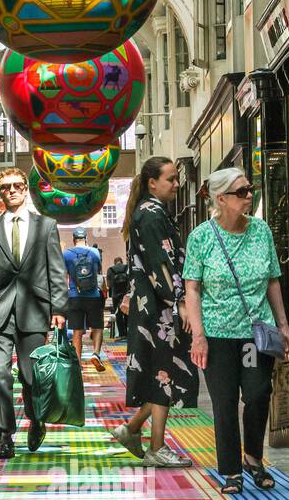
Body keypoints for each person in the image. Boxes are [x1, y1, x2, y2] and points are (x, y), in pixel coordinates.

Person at [183, 166, 289, 497]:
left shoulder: (261, 232)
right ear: (221, 199)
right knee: (225, 401)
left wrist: (284, 324)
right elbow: (193, 289)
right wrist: (198, 335)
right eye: (242, 191)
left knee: (259, 393)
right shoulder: (201, 237)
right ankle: (231, 470)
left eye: (250, 189)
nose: (250, 196)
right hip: (217, 334)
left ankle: (253, 457)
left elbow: (272, 279)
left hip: (256, 331)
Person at [0, 167, 68, 458]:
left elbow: (56, 271)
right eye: (4, 187)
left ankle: (36, 421)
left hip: (34, 311)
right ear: (0, 194)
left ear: (25, 189)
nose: (10, 191)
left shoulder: (45, 226)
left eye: (16, 186)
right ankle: (5, 436)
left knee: (30, 376)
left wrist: (58, 308)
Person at [109, 157, 198, 468]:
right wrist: (180, 300)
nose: (176, 184)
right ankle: (156, 446)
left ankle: (132, 429)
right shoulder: (151, 215)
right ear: (152, 183)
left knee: (162, 372)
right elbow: (162, 263)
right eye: (171, 179)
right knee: (163, 373)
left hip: (154, 304)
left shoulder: (150, 212)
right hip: (160, 307)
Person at [62, 227, 104, 368]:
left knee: (77, 331)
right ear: (86, 239)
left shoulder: (66, 254)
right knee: (97, 327)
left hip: (75, 296)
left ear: (74, 240)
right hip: (93, 296)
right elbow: (98, 272)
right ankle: (96, 353)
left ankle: (77, 362)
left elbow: (64, 277)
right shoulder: (94, 252)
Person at [106, 255, 130, 337]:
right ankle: (128, 332)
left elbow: (108, 284)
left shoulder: (110, 269)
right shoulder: (126, 267)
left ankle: (121, 334)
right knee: (127, 311)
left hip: (115, 294)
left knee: (118, 313)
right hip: (126, 293)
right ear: (121, 261)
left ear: (114, 262)